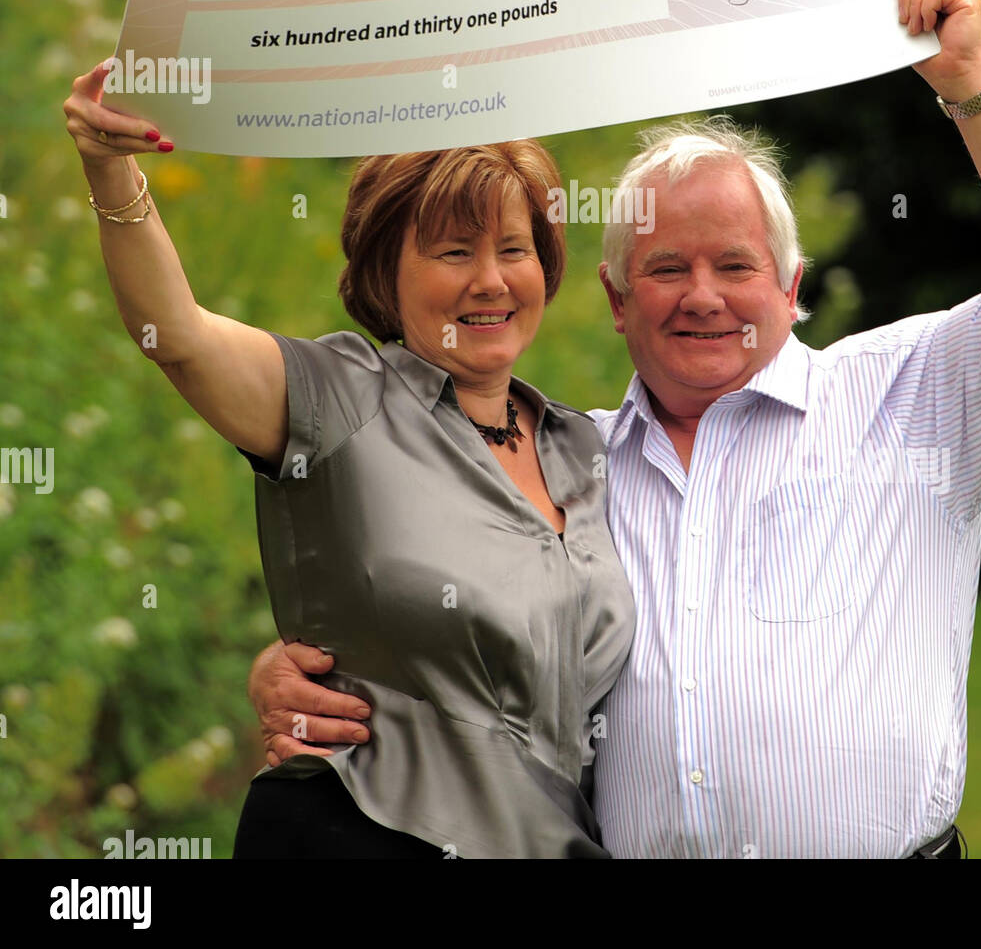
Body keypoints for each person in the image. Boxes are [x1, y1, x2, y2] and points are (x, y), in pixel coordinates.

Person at [247, 0, 981, 857]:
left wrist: (968, 85)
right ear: (617, 298)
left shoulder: (905, 395)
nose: (701, 297)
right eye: (666, 268)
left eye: (735, 267)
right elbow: (443, 634)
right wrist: (322, 671)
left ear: (790, 289)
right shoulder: (553, 466)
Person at [62, 74, 635, 859]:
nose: (491, 280)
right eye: (453, 252)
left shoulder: (591, 448)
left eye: (514, 249)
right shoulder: (338, 399)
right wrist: (109, 168)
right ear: (383, 274)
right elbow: (178, 333)